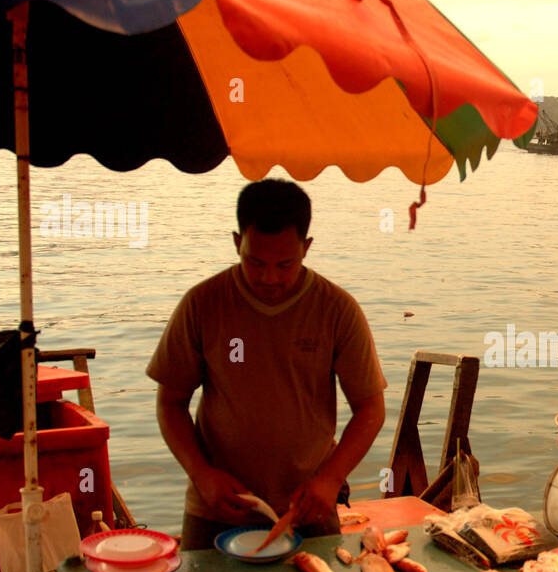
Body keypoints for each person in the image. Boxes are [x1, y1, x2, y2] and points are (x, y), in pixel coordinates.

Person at [147, 179, 387, 550]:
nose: (269, 278)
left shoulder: (337, 310)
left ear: (306, 248)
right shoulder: (202, 304)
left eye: (285, 264)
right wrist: (202, 474)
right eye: (254, 262)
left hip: (309, 508)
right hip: (216, 508)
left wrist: (331, 478)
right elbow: (170, 402)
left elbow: (370, 409)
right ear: (236, 242)